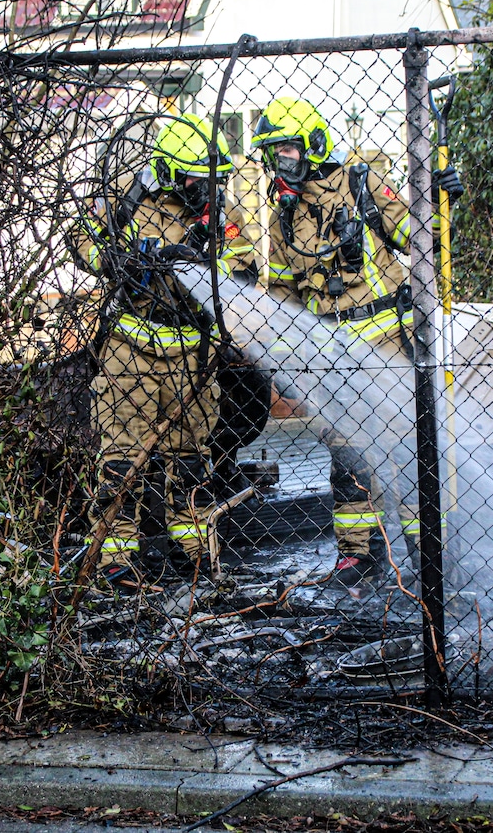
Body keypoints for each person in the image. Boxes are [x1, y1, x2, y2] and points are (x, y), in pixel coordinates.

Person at [251, 96, 463, 586]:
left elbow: (419, 234)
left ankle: (431, 555)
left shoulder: (360, 184)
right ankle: (357, 560)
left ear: (313, 145)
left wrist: (442, 198)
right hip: (330, 362)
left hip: (386, 345)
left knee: (409, 452)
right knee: (348, 461)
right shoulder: (284, 214)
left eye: (284, 150)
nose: (276, 162)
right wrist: (290, 358)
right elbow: (283, 294)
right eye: (271, 153)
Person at [73, 114, 255, 589]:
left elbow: (246, 265)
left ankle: (198, 560)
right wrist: (116, 260)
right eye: (198, 178)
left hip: (193, 356)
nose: (208, 188)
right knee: (120, 463)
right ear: (171, 170)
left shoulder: (218, 212)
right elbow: (83, 239)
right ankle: (115, 563)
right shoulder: (128, 197)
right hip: (129, 350)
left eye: (215, 178)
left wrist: (205, 258)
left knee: (193, 462)